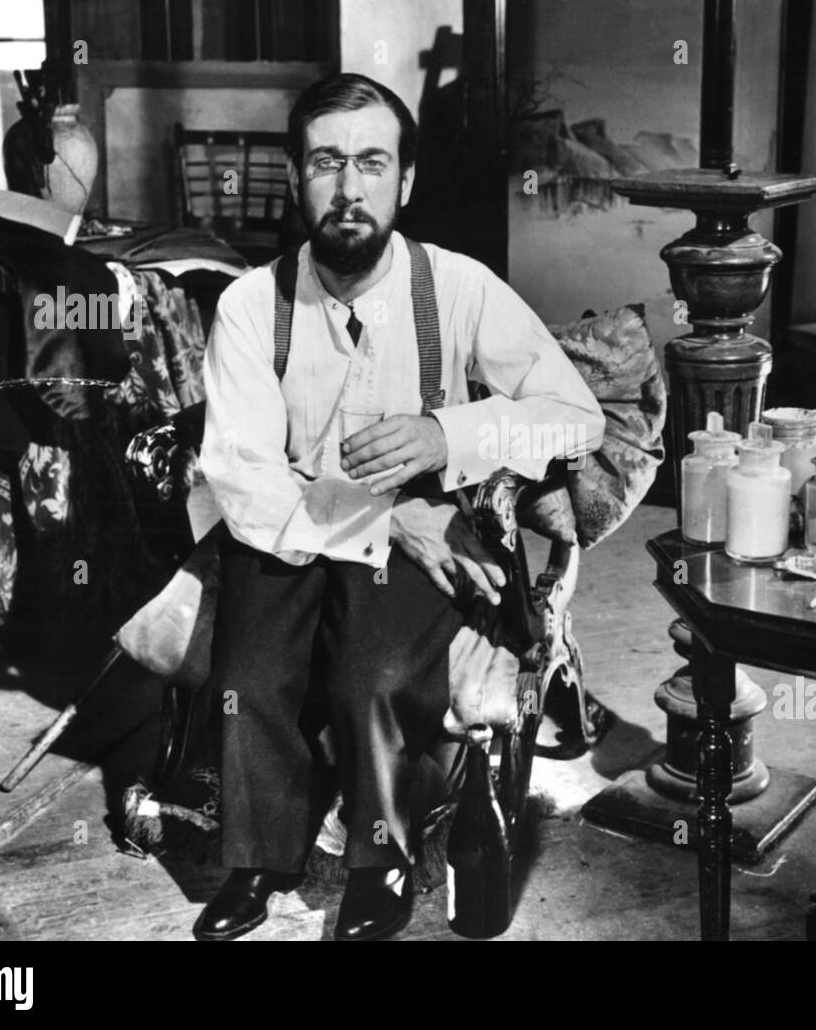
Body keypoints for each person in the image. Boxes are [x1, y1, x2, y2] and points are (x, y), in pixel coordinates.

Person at [193, 73, 605, 941]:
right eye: (326, 164)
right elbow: (243, 476)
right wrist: (385, 521)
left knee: (370, 677)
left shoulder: (459, 289)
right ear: (297, 178)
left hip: (425, 528)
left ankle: (380, 865)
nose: (349, 190)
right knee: (245, 679)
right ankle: (260, 857)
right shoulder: (246, 306)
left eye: (372, 164)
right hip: (296, 526)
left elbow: (576, 417)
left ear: (404, 181)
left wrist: (449, 435)